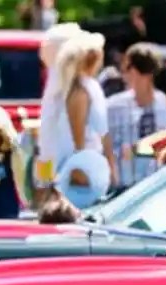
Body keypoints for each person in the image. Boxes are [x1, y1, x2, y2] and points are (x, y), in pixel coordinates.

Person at [53, 31, 115, 209]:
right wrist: (80, 169)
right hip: (82, 170)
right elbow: (78, 139)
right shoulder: (80, 91)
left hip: (91, 165)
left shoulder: (88, 87)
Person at [107, 44, 166, 189]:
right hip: (125, 185)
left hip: (157, 182)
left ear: (134, 70)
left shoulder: (164, 103)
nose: (124, 74)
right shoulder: (114, 106)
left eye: (127, 68)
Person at [37, 22, 82, 193]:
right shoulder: (65, 91)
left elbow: (45, 145)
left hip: (61, 179)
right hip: (72, 181)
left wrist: (44, 181)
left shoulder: (53, 90)